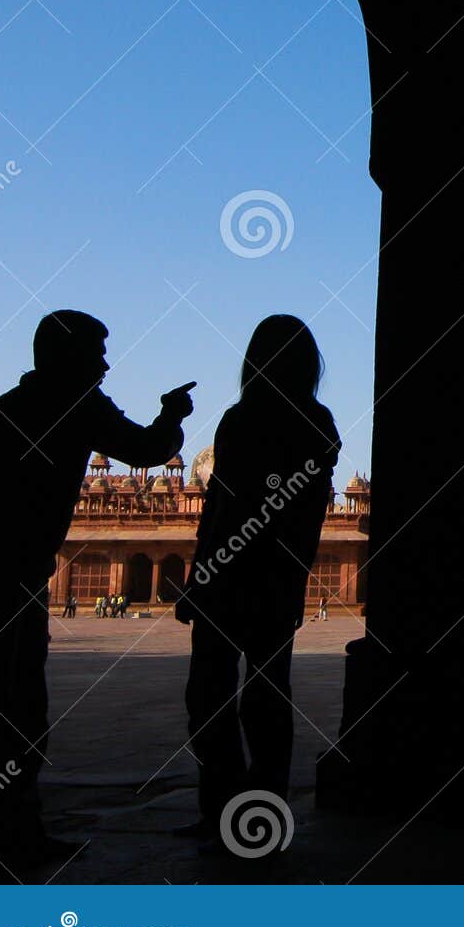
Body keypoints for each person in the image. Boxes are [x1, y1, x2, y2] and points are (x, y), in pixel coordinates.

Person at [0, 311, 193, 875]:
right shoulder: (76, 407)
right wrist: (172, 414)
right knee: (17, 715)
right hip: (9, 582)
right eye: (96, 353)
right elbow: (147, 448)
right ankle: (8, 839)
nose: (105, 364)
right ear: (66, 358)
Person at [178, 316, 339, 841]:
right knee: (265, 696)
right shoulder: (316, 421)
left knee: (211, 695)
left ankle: (223, 807)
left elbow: (221, 508)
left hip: (232, 574)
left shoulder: (243, 418)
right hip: (274, 576)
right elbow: (300, 513)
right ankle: (257, 815)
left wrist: (201, 575)